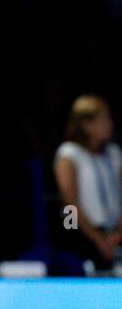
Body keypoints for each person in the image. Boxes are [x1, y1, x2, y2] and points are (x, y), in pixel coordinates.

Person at [53, 94, 122, 272]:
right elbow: (69, 204)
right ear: (86, 125)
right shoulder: (69, 154)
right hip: (80, 233)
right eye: (104, 119)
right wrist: (97, 239)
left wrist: (117, 234)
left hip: (114, 233)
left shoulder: (114, 154)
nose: (110, 124)